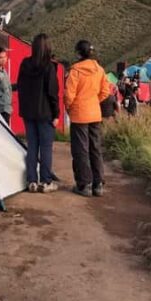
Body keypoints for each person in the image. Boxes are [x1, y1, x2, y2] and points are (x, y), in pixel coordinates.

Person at [17, 34, 60, 193]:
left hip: (28, 112)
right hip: (45, 113)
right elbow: (52, 93)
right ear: (48, 48)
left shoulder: (24, 64)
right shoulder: (49, 67)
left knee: (32, 146)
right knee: (46, 147)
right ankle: (46, 181)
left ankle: (31, 181)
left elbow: (20, 87)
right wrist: (56, 114)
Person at [65, 40, 108, 197]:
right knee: (95, 148)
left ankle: (84, 184)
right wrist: (94, 102)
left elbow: (69, 94)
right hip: (94, 113)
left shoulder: (75, 71)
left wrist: (69, 107)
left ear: (78, 53)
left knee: (80, 149)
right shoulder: (100, 70)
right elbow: (105, 91)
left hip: (79, 115)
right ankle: (98, 184)